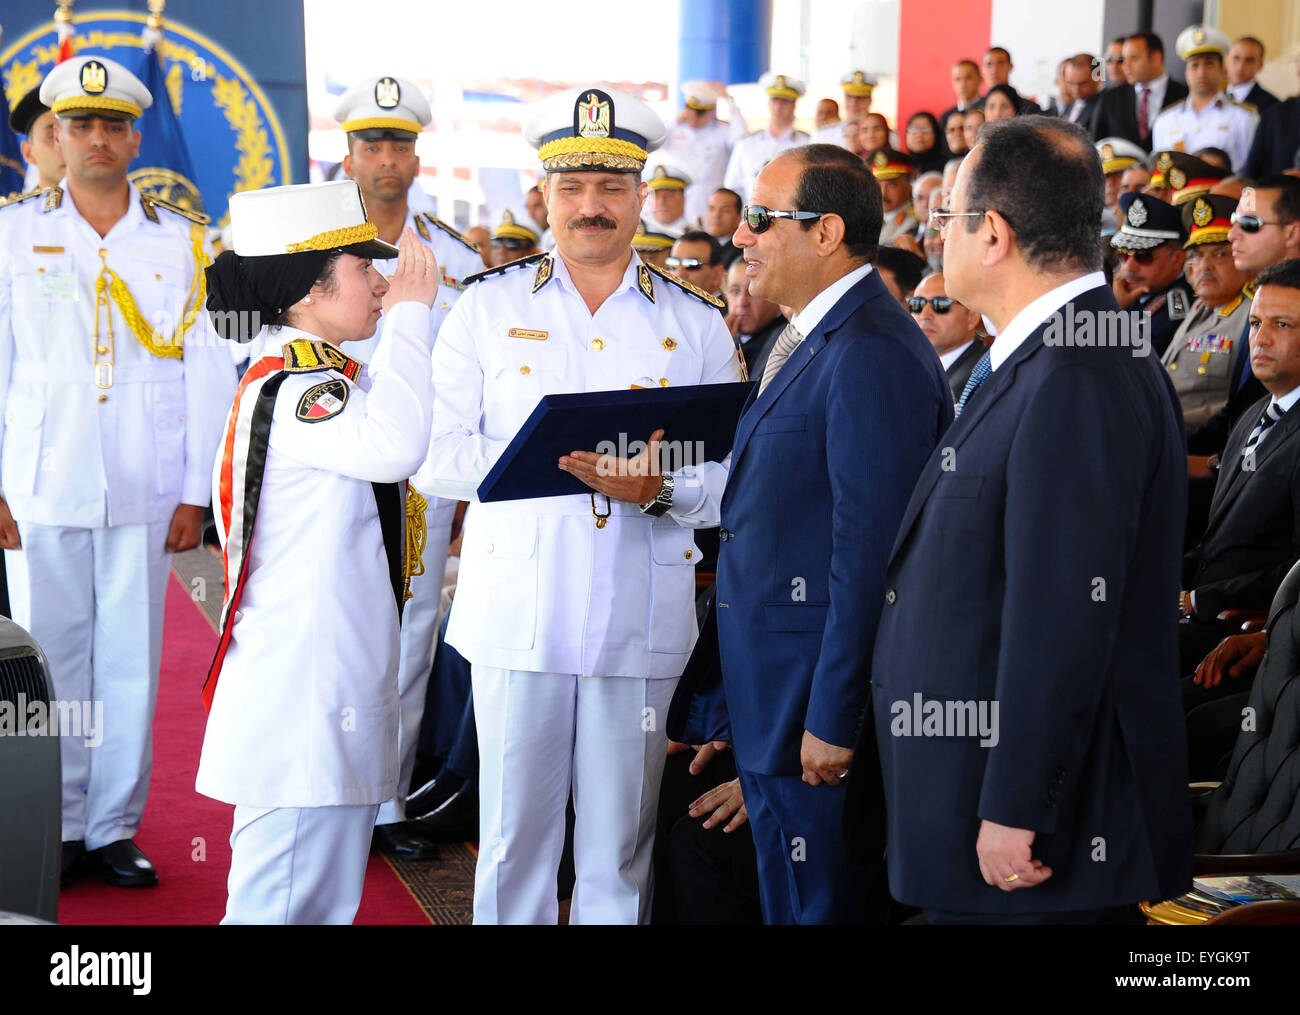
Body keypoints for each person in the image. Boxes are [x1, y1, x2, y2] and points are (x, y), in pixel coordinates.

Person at [423, 86, 742, 925]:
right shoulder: (485, 307)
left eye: (610, 187)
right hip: (517, 609)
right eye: (572, 188)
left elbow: (731, 473)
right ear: (545, 196)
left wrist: (661, 486)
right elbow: (434, 455)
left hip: (639, 612)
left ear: (642, 193)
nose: (590, 206)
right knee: (513, 838)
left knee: (619, 843)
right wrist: (549, 459)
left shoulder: (698, 321)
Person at [862, 115, 1192, 924]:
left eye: (948, 218)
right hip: (976, 808)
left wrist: (1019, 803)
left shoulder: (1079, 373)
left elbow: (1064, 611)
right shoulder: (1046, 356)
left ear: (995, 234)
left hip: (1036, 841)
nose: (939, 239)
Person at [662, 143, 951, 924]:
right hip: (772, 697)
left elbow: (871, 554)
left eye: (761, 218)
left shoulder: (870, 352)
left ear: (826, 232)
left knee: (817, 904)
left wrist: (833, 716)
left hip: (813, 708)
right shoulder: (810, 337)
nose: (742, 236)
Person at [0, 54, 236, 889]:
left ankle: (111, 826)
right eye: (79, 125)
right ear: (55, 137)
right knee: (45, 657)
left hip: (145, 479)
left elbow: (204, 369)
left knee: (131, 658)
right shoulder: (12, 231)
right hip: (39, 477)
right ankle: (52, 821)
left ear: (135, 136)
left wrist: (192, 493)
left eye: (112, 125)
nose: (97, 139)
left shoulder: (180, 238)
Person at [196, 183, 438, 923]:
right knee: (280, 906)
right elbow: (397, 446)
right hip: (304, 697)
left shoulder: (322, 376)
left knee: (321, 904)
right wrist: (408, 318)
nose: (377, 282)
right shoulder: (301, 388)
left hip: (331, 686)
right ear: (308, 289)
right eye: (362, 266)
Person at [330, 74, 479, 861]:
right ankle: (333, 791)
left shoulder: (453, 256)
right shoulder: (310, 248)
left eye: (399, 143)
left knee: (413, 632)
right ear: (348, 152)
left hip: (423, 476)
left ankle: (387, 800)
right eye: (372, 143)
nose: (387, 157)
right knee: (339, 626)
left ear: (417, 155)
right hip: (338, 467)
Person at [1178, 260, 1300, 676]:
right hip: (1199, 615)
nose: (1260, 339)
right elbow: (1218, 543)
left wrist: (1200, 599)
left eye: (1282, 325)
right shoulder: (1252, 414)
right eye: (1254, 323)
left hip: (1245, 631)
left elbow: (1296, 570)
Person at [1162, 194, 1255, 429]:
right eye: (1197, 255)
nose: (1205, 266)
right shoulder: (1201, 306)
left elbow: (1237, 408)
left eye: (1220, 254)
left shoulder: (1252, 315)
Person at [1152, 26, 1258, 173]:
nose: (1201, 72)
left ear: (1222, 70)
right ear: (1186, 72)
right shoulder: (1166, 120)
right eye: (1194, 65)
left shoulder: (1243, 118)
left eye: (1209, 64)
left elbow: (1249, 172)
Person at [1110, 191, 1193, 357]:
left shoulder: (1176, 309)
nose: (1129, 267)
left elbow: (1128, 360)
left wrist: (1113, 310)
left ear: (1177, 259)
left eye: (1143, 256)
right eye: (1124, 255)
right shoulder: (1130, 296)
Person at [661, 81, 748, 226]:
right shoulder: (674, 129)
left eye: (700, 113)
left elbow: (742, 139)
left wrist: (729, 101)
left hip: (711, 204)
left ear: (711, 111)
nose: (693, 117)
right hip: (678, 203)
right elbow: (653, 141)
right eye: (690, 110)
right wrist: (675, 121)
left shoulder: (722, 130)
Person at [1091, 32, 1189, 151]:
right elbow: (1095, 146)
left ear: (1155, 58)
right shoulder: (1110, 98)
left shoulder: (1185, 96)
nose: (1125, 65)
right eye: (1124, 59)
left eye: (1133, 58)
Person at [724, 74, 809, 204]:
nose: (779, 106)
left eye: (785, 101)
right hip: (750, 218)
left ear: (794, 105)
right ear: (768, 103)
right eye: (775, 100)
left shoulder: (807, 144)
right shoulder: (746, 144)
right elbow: (732, 188)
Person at [908, 271, 983, 402]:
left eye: (940, 305)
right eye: (917, 304)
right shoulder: (907, 366)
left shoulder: (982, 376)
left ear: (971, 317)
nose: (925, 315)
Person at [724, 257, 785, 377]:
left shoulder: (784, 342)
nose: (741, 303)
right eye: (735, 291)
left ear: (775, 295)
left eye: (752, 292)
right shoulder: (721, 337)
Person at [8, 87, 64, 191]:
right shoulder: (21, 208)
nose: (67, 145)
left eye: (80, 129)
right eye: (52, 136)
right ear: (28, 152)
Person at [869, 147, 918, 247]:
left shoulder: (912, 222)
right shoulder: (871, 218)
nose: (883, 193)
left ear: (908, 186)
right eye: (877, 184)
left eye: (891, 185)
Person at [668, 230, 726, 307]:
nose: (679, 273)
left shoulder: (726, 316)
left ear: (717, 274)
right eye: (673, 264)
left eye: (691, 265)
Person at [815, 70, 875, 144]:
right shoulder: (823, 135)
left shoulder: (886, 136)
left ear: (870, 100)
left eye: (860, 98)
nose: (854, 103)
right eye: (849, 97)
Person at [641, 156, 694, 237]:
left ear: (683, 200)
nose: (661, 202)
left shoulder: (694, 237)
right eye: (656, 196)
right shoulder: (637, 233)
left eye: (669, 196)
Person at [977, 47, 1039, 114]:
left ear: (1010, 66)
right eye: (989, 64)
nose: (994, 70)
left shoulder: (1028, 109)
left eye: (1000, 63)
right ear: (983, 69)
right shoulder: (975, 109)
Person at [1226, 36, 1278, 114]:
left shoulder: (1272, 105)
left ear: (1260, 65)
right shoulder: (1215, 98)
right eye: (1236, 58)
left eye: (1249, 60)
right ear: (1227, 60)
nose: (1240, 66)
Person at [705, 187, 744, 267]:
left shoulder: (742, 252)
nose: (716, 215)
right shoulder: (699, 245)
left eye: (725, 210)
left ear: (739, 218)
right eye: (711, 209)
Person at [1063, 54, 1103, 128]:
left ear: (1098, 76)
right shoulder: (1070, 105)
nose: (1076, 90)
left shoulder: (1106, 106)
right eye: (1070, 83)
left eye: (1083, 84)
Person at [941, 59, 982, 124]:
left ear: (980, 79)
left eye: (968, 78)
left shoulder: (990, 108)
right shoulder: (946, 117)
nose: (963, 84)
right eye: (957, 79)